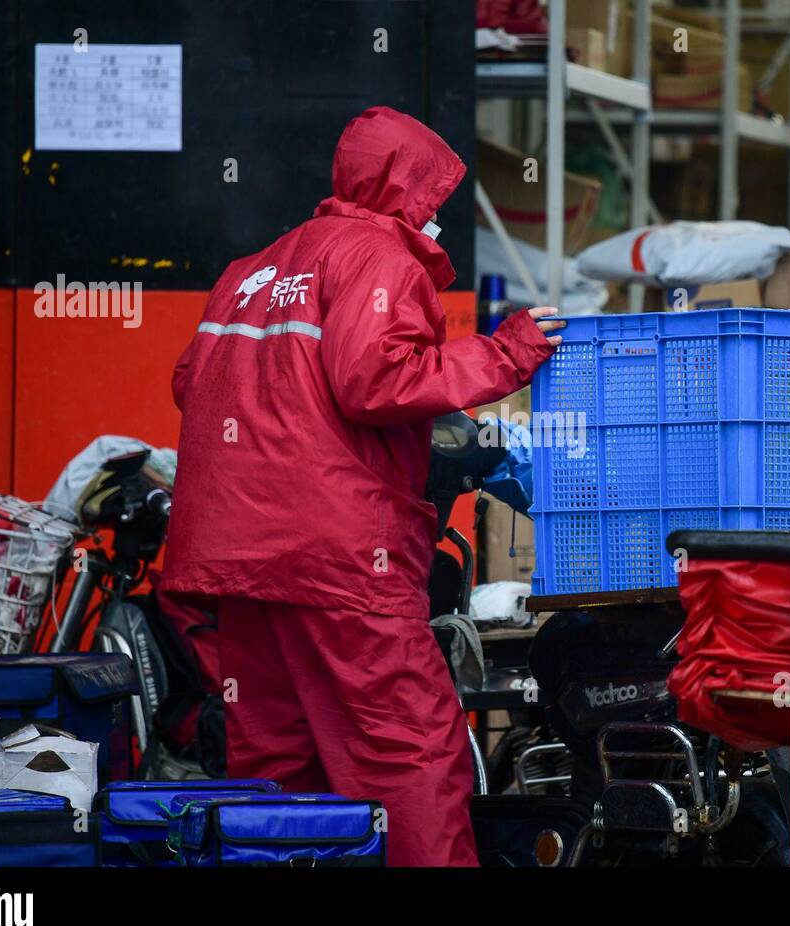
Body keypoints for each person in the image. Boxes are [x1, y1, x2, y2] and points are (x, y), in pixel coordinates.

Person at [161, 106, 562, 866]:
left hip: (239, 565)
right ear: (405, 192)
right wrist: (506, 352)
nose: (437, 217)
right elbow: (375, 381)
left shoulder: (250, 273)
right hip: (339, 560)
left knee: (278, 770)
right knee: (407, 756)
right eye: (433, 199)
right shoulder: (380, 258)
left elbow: (192, 382)